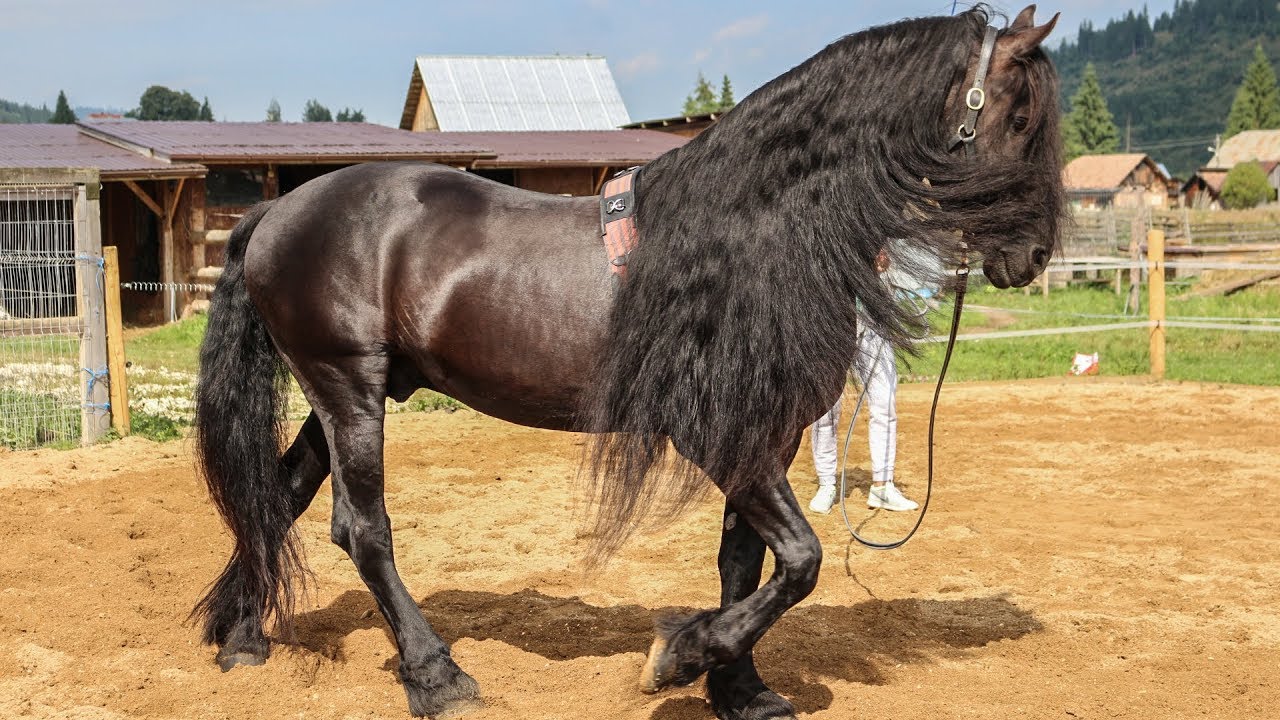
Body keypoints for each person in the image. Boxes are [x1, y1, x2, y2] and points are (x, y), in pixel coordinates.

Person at [808, 247, 923, 515]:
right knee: (826, 411)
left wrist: (884, 262)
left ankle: (883, 485)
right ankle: (826, 484)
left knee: (884, 403)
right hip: (831, 323)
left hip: (873, 324)